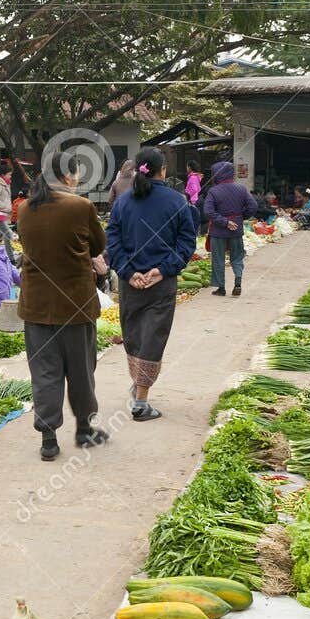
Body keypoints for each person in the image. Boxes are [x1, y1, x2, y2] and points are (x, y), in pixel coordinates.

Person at [16, 159, 107, 461]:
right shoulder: (80, 206)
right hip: (75, 304)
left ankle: (48, 439)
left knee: (44, 371)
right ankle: (84, 429)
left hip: (37, 305)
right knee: (81, 369)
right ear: (68, 177)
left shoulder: (25, 209)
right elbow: (97, 246)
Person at [106, 147, 199, 422]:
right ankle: (142, 401)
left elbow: (113, 240)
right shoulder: (178, 201)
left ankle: (139, 385)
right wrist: (162, 270)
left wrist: (127, 270)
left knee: (134, 332)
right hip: (161, 283)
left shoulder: (123, 202)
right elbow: (186, 243)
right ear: (163, 171)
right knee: (153, 335)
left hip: (130, 282)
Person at [202, 159, 257, 297]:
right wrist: (239, 217)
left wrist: (224, 222)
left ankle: (221, 288)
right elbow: (253, 206)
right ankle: (238, 282)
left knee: (218, 259)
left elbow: (208, 211)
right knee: (237, 257)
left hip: (218, 230)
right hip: (236, 229)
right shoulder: (241, 188)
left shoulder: (213, 191)